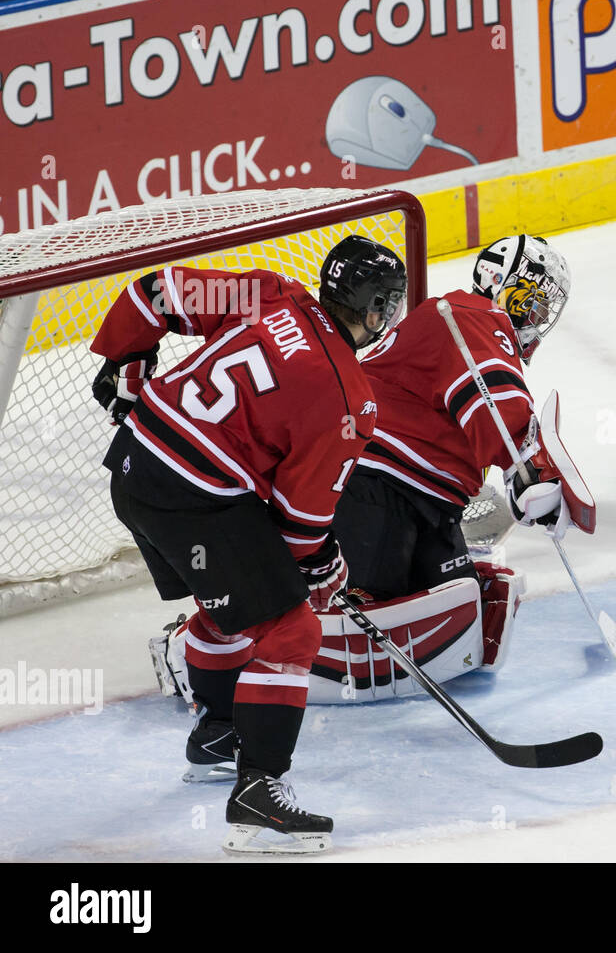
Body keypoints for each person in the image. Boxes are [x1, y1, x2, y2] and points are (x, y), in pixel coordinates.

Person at [90, 234, 406, 854]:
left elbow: (153, 292)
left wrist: (123, 367)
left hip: (133, 467)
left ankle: (217, 734)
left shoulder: (271, 292)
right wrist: (325, 569)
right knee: (291, 630)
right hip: (193, 495)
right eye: (387, 306)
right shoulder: (350, 397)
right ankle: (259, 798)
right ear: (371, 308)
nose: (387, 319)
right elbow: (299, 525)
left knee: (233, 603)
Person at [307, 234, 577, 702]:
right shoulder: (466, 316)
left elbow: (493, 410)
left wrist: (528, 471)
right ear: (503, 286)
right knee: (368, 605)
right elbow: (493, 402)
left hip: (428, 502)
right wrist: (527, 471)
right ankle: (228, 647)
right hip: (375, 484)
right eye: (532, 301)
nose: (536, 318)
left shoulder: (473, 325)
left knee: (461, 595)